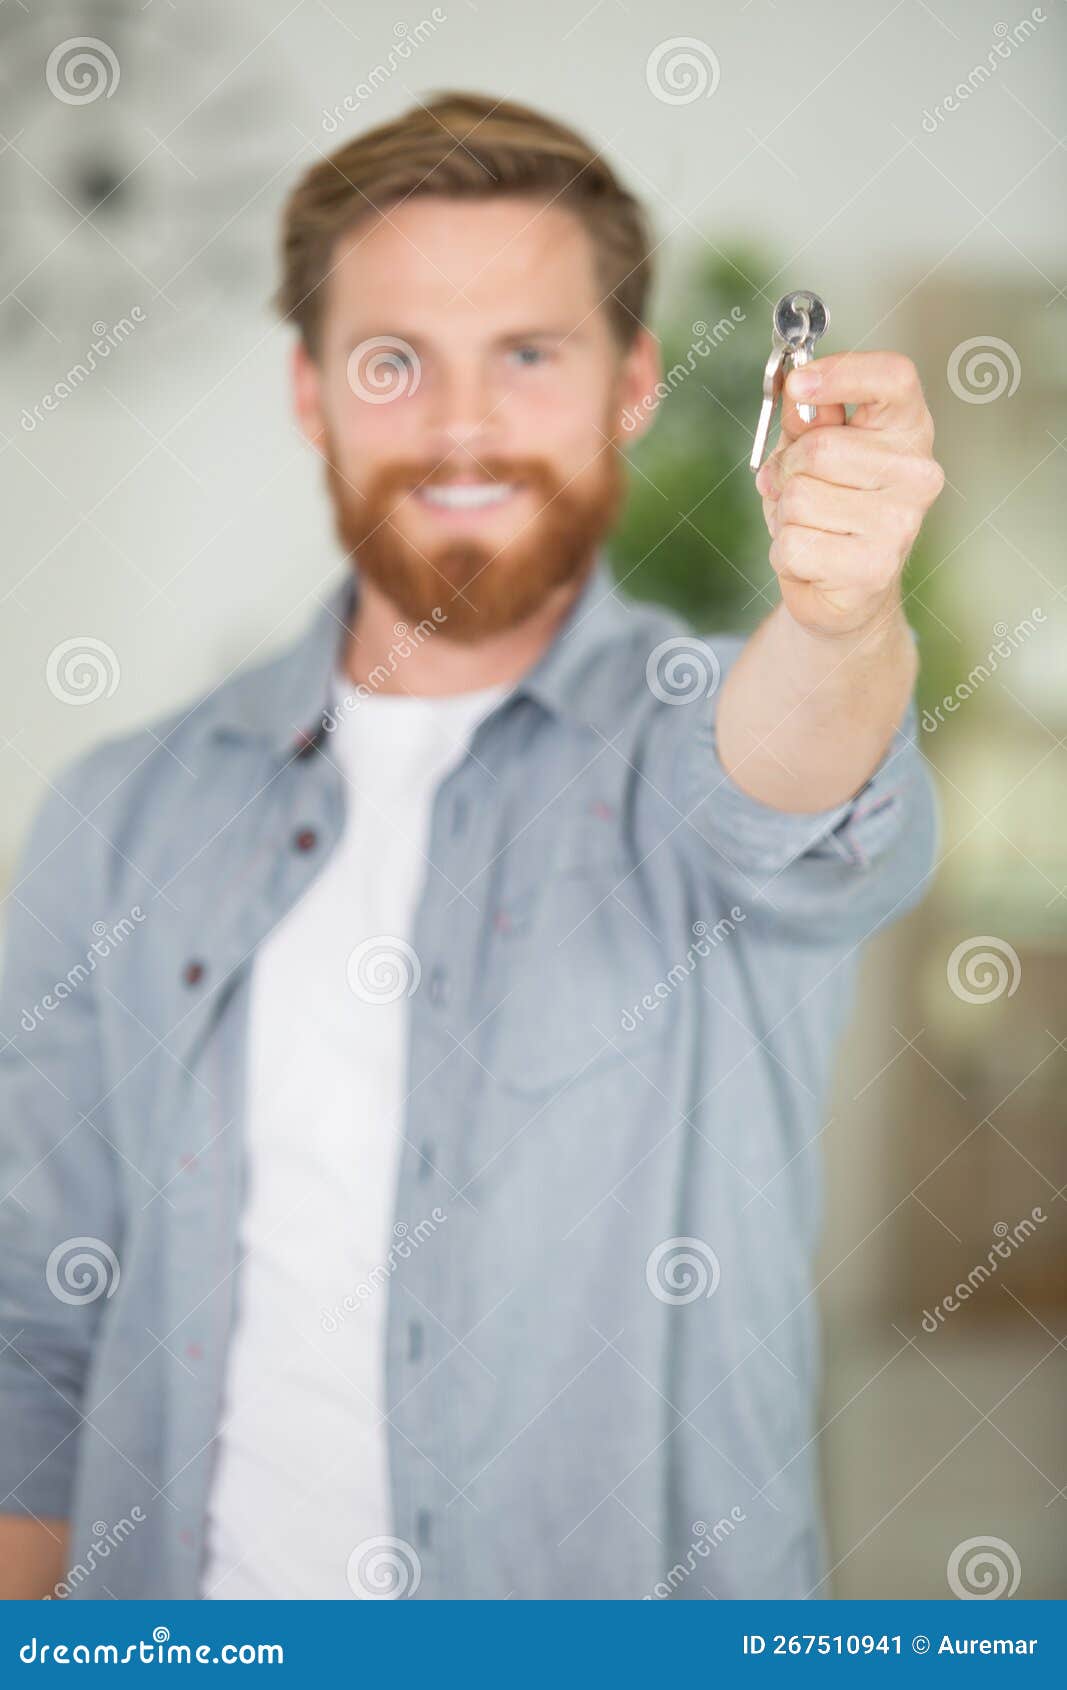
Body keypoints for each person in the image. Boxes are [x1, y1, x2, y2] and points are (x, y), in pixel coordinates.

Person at [0, 91, 943, 1601]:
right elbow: (33, 1341)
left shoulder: (703, 736)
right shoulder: (121, 814)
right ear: (310, 392)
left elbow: (799, 782)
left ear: (631, 385)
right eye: (394, 360)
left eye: (529, 354)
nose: (461, 425)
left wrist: (843, 621)